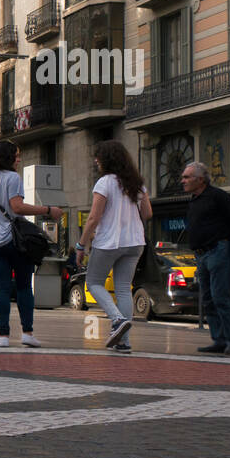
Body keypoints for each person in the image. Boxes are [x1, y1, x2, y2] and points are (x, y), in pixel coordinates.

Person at [0, 140, 62, 348]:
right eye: (16, 156)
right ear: (7, 157)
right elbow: (18, 207)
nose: (19, 159)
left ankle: (3, 336)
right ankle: (27, 333)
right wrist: (48, 210)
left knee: (1, 289)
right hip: (16, 242)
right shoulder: (12, 178)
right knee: (23, 287)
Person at [75, 142, 151, 353]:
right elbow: (148, 214)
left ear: (107, 159)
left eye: (98, 157)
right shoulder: (136, 184)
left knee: (93, 282)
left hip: (109, 241)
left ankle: (117, 319)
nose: (96, 161)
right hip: (135, 241)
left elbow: (93, 218)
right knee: (124, 288)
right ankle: (124, 342)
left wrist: (81, 244)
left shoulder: (104, 183)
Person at [182, 160, 230, 354]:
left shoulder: (217, 196)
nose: (182, 181)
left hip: (217, 250)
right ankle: (219, 340)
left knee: (220, 296)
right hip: (201, 254)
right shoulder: (193, 200)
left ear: (200, 180)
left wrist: (224, 241)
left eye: (187, 177)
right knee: (208, 299)